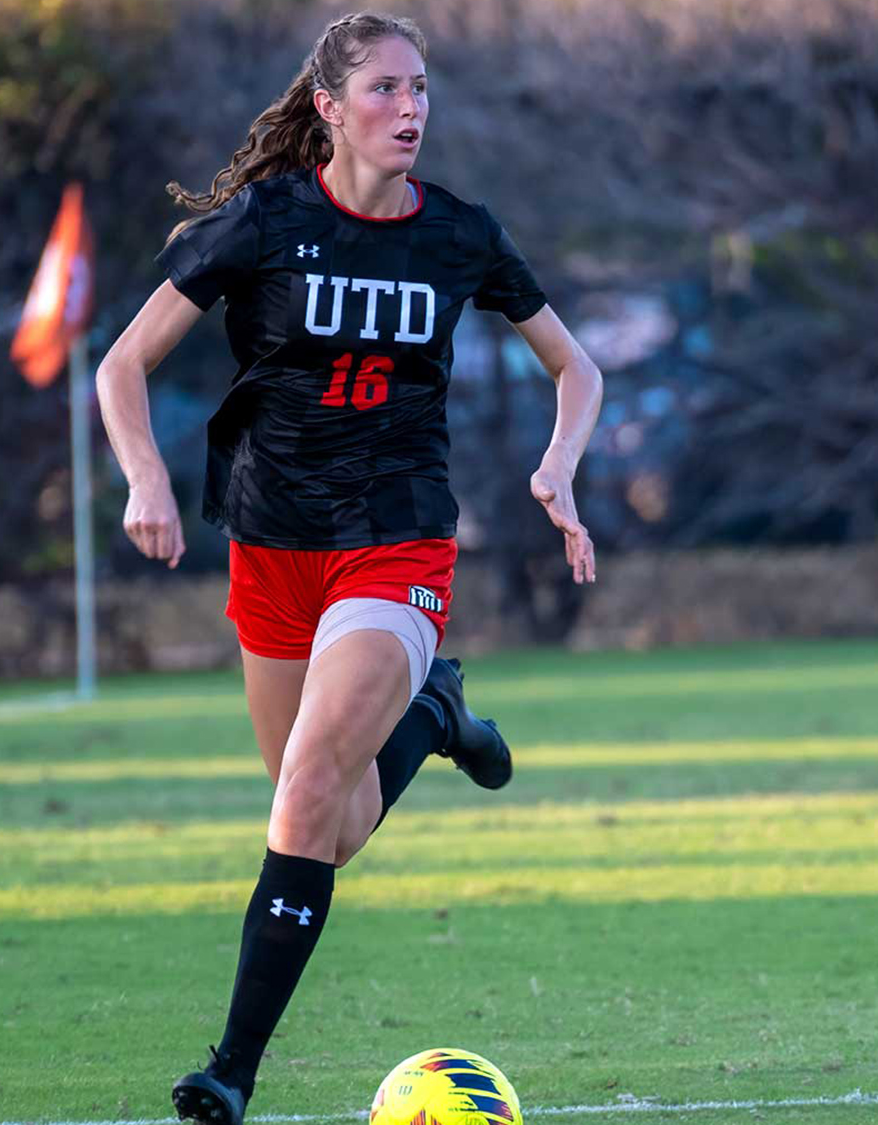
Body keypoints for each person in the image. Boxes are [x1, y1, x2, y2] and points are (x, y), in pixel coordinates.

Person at [93, 13, 602, 1125]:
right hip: (271, 546)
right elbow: (122, 364)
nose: (410, 109)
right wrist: (143, 478)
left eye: (420, 89)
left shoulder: (459, 234)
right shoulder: (265, 222)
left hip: (395, 536)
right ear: (328, 109)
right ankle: (436, 716)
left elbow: (576, 368)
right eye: (383, 89)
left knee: (316, 777)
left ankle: (229, 1070)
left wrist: (560, 468)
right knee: (324, 819)